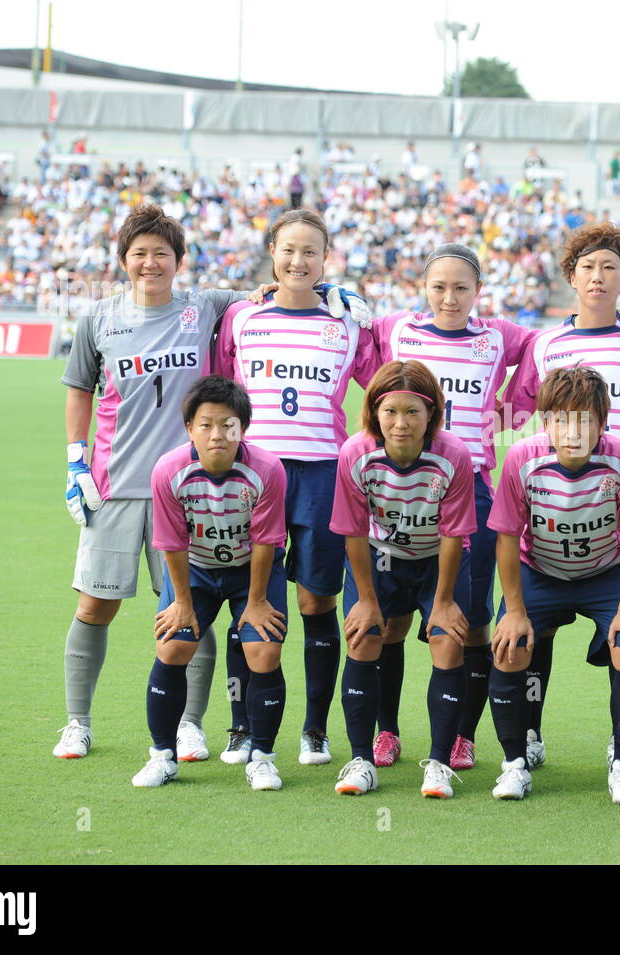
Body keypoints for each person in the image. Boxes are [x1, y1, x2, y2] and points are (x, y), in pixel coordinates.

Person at [56, 204, 252, 762]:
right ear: (123, 261)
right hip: (114, 486)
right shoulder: (98, 317)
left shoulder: (205, 306)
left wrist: (328, 288)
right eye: (139, 254)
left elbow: (270, 299)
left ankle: (190, 725)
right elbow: (79, 387)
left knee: (189, 608)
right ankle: (77, 722)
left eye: (160, 253)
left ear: (179, 261)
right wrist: (75, 460)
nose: (150, 263)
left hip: (190, 491)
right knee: (95, 607)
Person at [503, 221, 620, 768]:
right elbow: (515, 412)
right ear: (571, 276)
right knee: (536, 634)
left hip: (619, 505)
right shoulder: (545, 344)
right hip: (554, 503)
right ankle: (529, 737)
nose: (598, 277)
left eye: (610, 267)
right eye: (588, 267)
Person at [215, 209, 378, 768]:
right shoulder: (242, 316)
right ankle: (241, 726)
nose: (298, 261)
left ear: (325, 259)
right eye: (288, 249)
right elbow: (221, 390)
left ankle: (314, 728)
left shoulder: (347, 322)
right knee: (248, 598)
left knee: (315, 600)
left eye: (311, 252)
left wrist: (364, 316)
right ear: (271, 253)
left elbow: (383, 381)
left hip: (321, 474)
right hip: (253, 472)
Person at [368, 243, 534, 771]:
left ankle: (463, 736)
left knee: (469, 623)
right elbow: (338, 314)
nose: (450, 297)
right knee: (390, 623)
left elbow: (545, 350)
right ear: (423, 286)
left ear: (478, 291)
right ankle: (386, 732)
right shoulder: (396, 329)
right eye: (439, 286)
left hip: (472, 490)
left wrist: (501, 418)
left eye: (461, 287)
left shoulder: (499, 337)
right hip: (400, 488)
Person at [486, 366, 620, 803]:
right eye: (561, 418)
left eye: (585, 419)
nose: (573, 430)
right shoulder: (522, 458)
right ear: (545, 421)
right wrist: (515, 610)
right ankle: (516, 763)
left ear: (603, 422)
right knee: (510, 648)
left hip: (605, 572)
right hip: (539, 570)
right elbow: (507, 537)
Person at [329, 360, 476, 797]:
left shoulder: (453, 455)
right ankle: (365, 756)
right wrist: (366, 598)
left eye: (413, 412)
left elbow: (454, 534)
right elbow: (353, 531)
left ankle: (437, 762)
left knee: (448, 640)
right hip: (380, 557)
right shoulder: (356, 453)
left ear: (432, 415)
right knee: (367, 634)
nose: (400, 422)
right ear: (374, 411)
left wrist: (444, 600)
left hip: (438, 559)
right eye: (390, 411)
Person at [134, 376, 288, 790]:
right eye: (206, 425)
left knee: (264, 651)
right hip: (196, 571)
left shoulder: (268, 470)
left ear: (243, 428)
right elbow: (171, 542)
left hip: (251, 571)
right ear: (189, 429)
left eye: (228, 424)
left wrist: (256, 602)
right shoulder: (169, 470)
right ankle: (163, 756)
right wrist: (182, 602)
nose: (217, 434)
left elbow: (266, 542)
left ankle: (262, 758)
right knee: (174, 644)